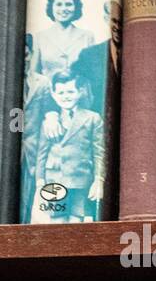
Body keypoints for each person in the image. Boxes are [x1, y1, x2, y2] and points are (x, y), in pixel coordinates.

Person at [33, 70, 105, 223]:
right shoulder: (49, 122)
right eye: (61, 92)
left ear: (80, 92)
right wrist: (40, 182)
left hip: (80, 180)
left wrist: (98, 180)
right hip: (54, 180)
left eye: (70, 91)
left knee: (76, 221)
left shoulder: (92, 118)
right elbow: (42, 154)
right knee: (56, 220)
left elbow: (99, 153)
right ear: (53, 94)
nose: (66, 96)